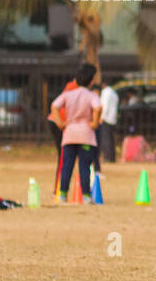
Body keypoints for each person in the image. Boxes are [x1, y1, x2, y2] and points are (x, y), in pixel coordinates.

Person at [50, 64, 103, 203]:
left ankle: (62, 195)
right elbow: (98, 108)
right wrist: (95, 123)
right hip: (86, 134)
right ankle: (86, 196)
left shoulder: (68, 95)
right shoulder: (91, 95)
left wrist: (60, 123)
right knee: (84, 166)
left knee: (67, 164)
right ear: (91, 81)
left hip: (69, 133)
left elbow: (54, 106)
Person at [99, 78, 119, 164]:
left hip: (106, 118)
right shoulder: (114, 93)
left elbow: (105, 106)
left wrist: (101, 117)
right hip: (113, 119)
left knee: (105, 139)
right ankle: (112, 157)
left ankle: (107, 157)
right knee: (111, 139)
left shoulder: (105, 92)